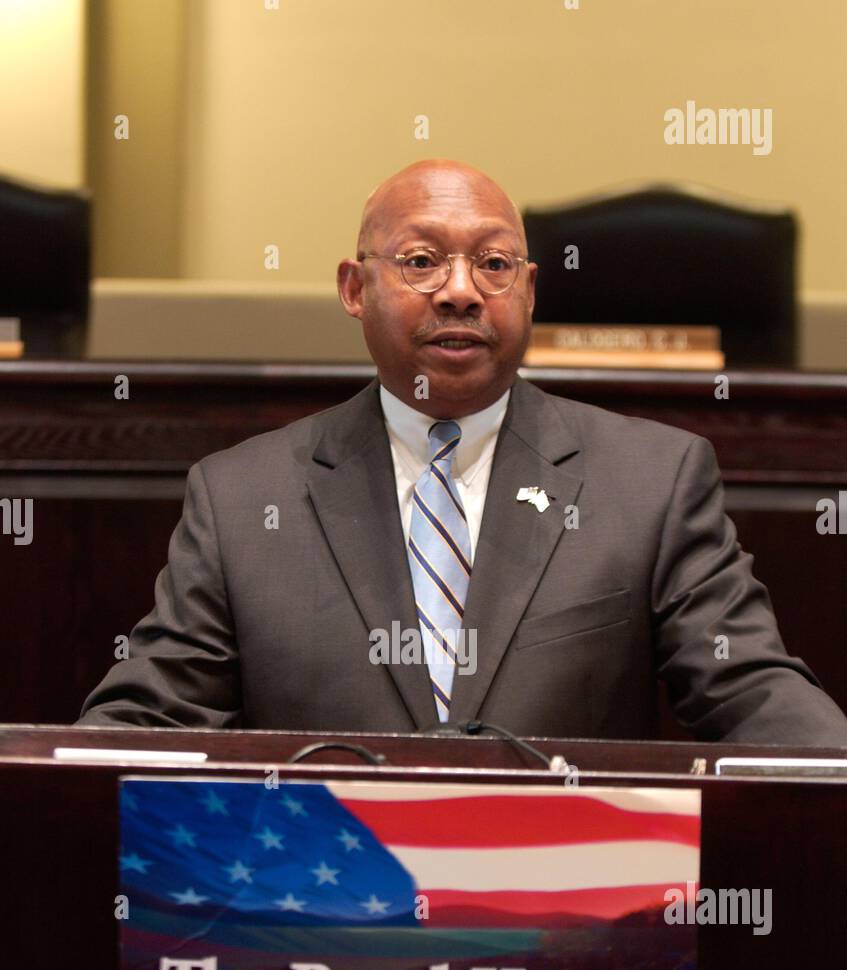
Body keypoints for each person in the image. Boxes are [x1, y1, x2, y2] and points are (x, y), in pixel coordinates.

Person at [76, 160, 847, 744]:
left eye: (493, 263)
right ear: (353, 288)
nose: (460, 291)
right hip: (324, 922)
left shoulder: (650, 481)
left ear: (531, 291)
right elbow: (148, 712)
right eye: (419, 261)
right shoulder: (242, 498)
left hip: (573, 923)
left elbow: (748, 687)